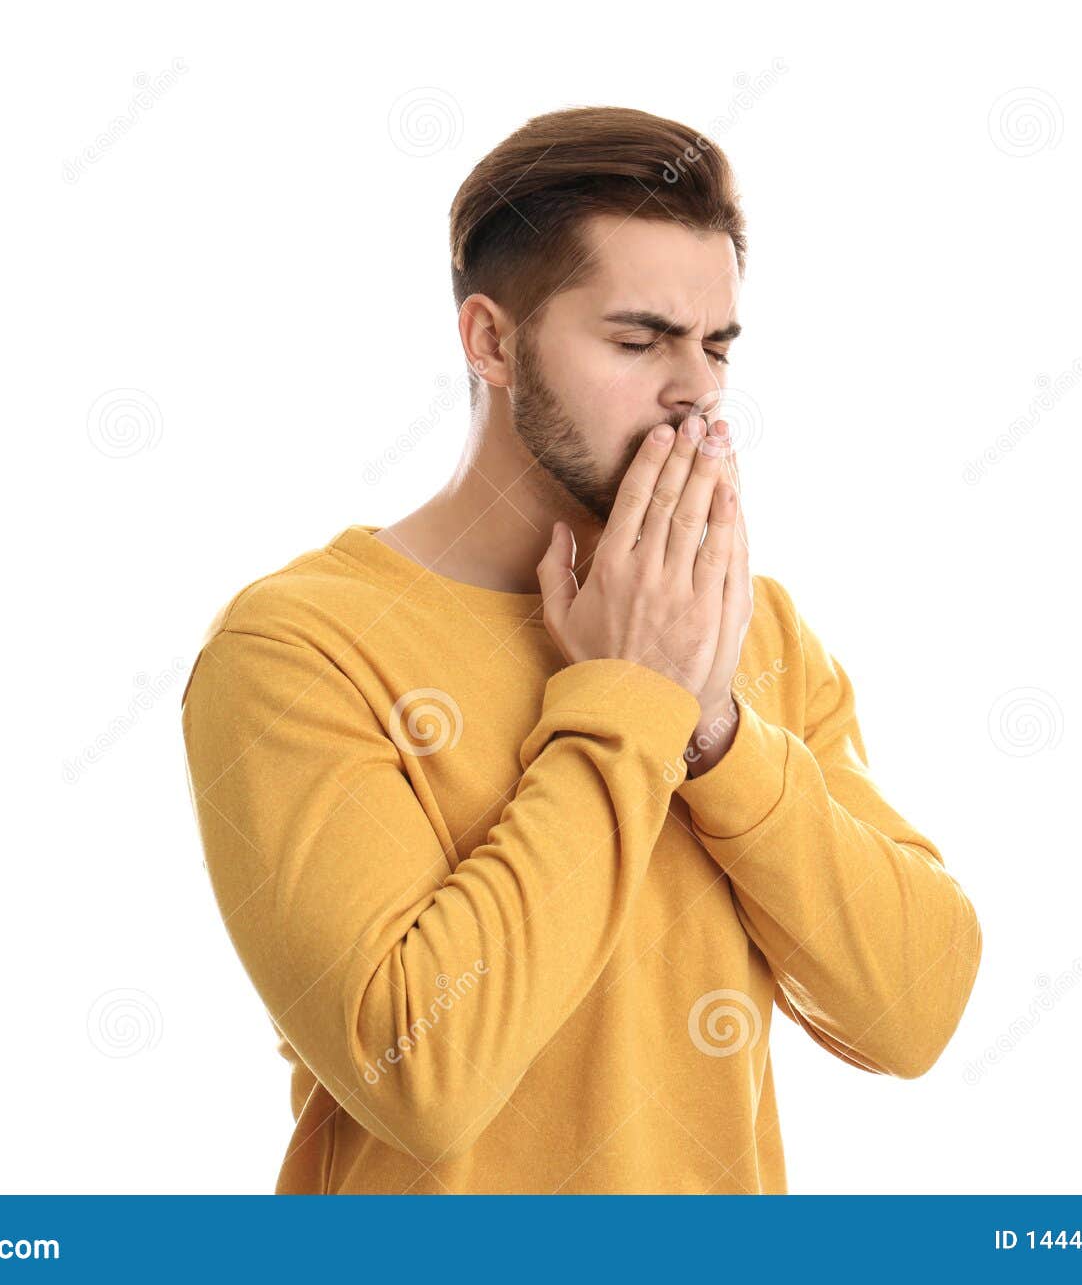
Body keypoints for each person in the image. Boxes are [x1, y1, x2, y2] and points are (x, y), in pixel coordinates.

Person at [179, 105, 982, 1194]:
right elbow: (422, 1073)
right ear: (491, 341)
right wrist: (631, 698)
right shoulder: (301, 645)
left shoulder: (757, 629)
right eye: (638, 339)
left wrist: (714, 730)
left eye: (714, 345)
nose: (693, 387)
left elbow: (913, 1014)